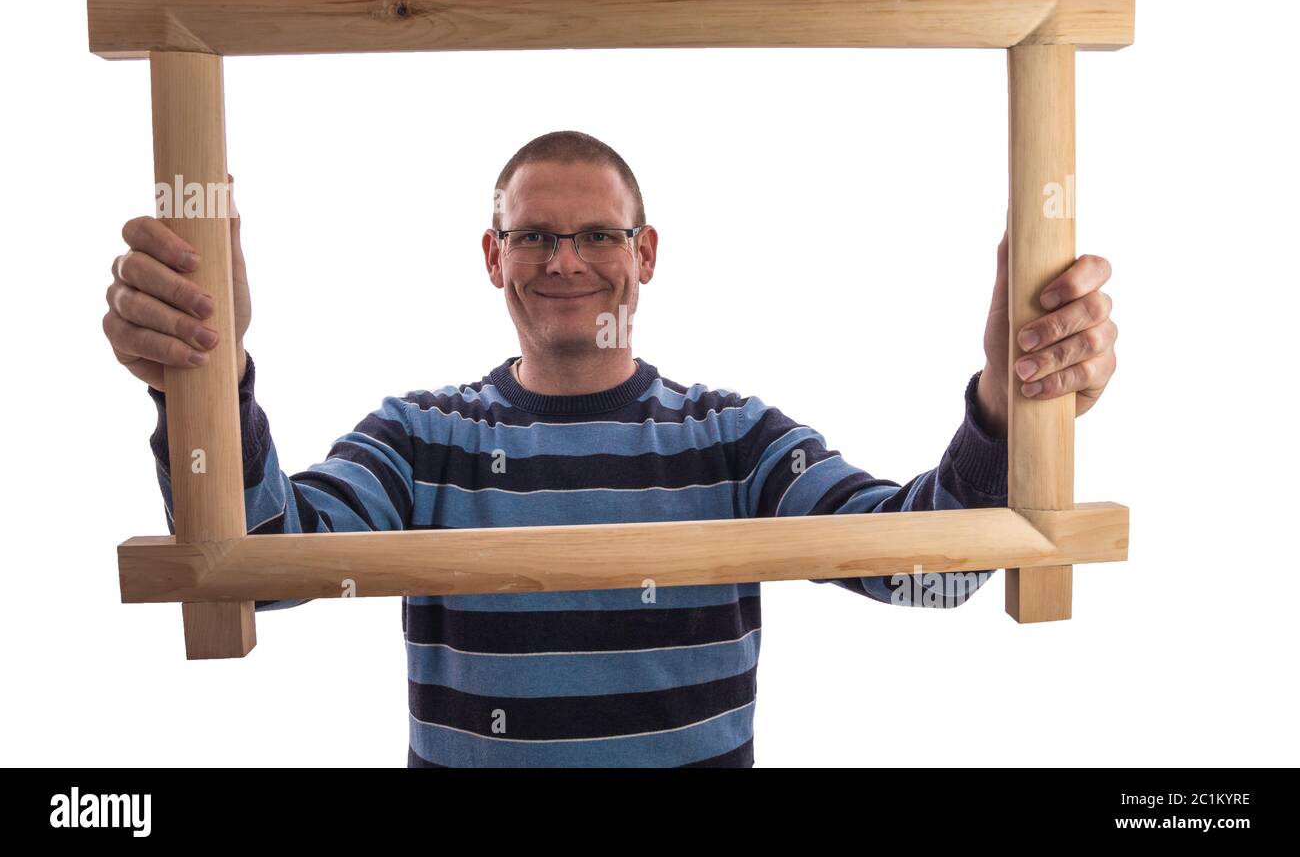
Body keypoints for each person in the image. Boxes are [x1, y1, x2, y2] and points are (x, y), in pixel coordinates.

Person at [103, 130, 1118, 767]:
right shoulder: (422, 437)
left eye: (596, 234)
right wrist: (209, 371)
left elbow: (927, 572)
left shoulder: (730, 437)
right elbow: (266, 559)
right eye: (535, 235)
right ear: (492, 255)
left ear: (645, 254)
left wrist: (1005, 402)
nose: (565, 260)